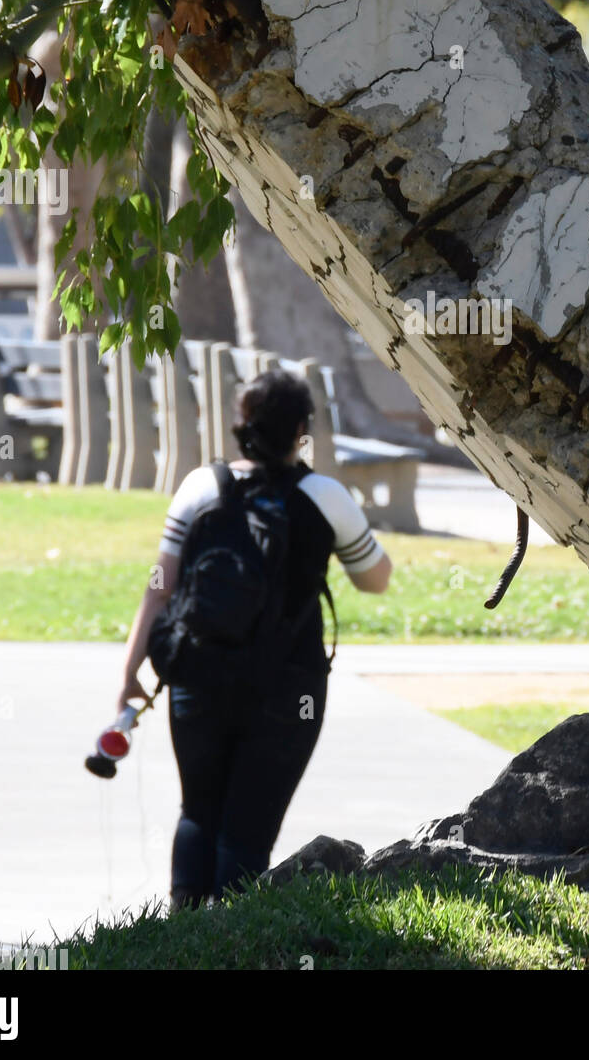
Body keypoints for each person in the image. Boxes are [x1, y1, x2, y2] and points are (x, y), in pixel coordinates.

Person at [116, 368, 393, 910]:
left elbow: (158, 588)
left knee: (198, 810)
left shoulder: (201, 486)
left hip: (196, 675)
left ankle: (181, 937)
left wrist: (129, 674)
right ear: (301, 431)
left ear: (240, 426)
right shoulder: (325, 496)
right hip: (290, 691)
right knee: (248, 829)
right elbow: (375, 579)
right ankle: (229, 945)